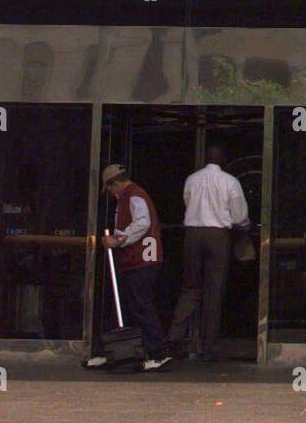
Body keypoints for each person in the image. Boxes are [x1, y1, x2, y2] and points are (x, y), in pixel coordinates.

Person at [168, 144, 251, 363]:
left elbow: (187, 202)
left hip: (193, 234)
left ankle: (175, 338)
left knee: (190, 287)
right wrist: (243, 227)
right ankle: (209, 346)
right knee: (214, 291)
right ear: (222, 159)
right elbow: (239, 215)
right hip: (218, 236)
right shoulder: (230, 181)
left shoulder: (192, 179)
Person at [85, 164, 172, 372]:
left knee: (141, 306)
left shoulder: (133, 195)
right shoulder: (129, 197)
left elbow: (142, 222)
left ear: (115, 183)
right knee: (122, 306)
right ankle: (109, 351)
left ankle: (159, 353)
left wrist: (117, 240)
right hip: (136, 262)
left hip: (142, 262)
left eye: (110, 189)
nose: (111, 194)